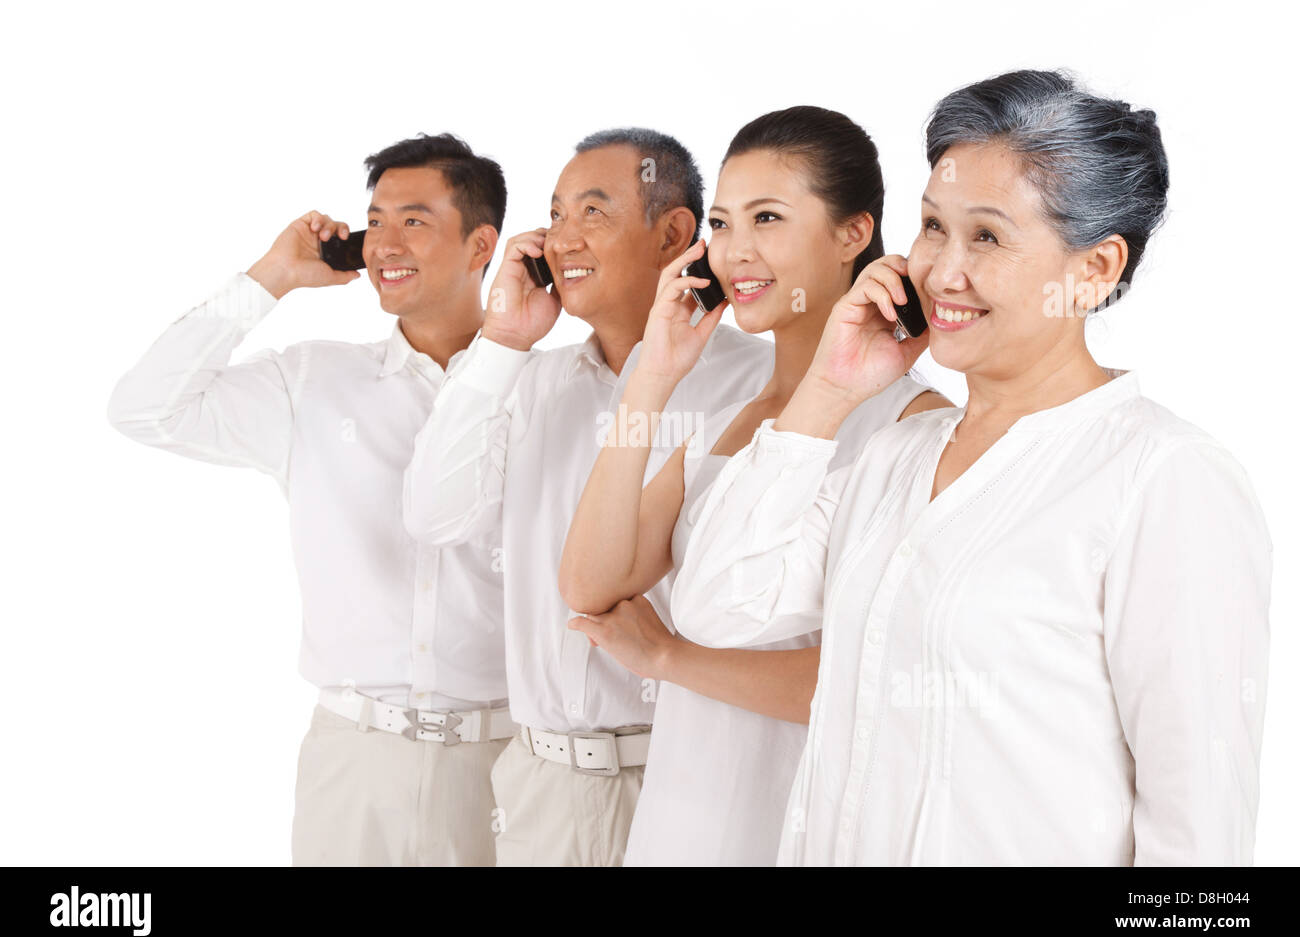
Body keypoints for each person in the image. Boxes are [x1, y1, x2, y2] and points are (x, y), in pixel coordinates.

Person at [670, 70, 1272, 866]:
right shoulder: (894, 453)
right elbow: (717, 607)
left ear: (1094, 270)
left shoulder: (1163, 479)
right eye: (930, 227)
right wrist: (825, 391)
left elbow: (1201, 835)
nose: (941, 271)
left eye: (986, 236)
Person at [107, 133, 518, 866]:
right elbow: (144, 409)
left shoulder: (541, 390)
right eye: (376, 220)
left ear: (481, 243)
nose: (384, 243)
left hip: (510, 765)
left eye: (415, 221)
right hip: (353, 763)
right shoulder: (313, 383)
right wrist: (269, 278)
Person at [559, 107, 950, 865]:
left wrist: (671, 659)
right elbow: (590, 584)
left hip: (794, 817)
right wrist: (653, 377)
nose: (737, 252)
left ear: (852, 233)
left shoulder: (915, 428)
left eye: (767, 218)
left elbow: (875, 679)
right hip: (681, 810)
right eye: (723, 223)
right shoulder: (726, 414)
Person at [402, 128, 773, 866]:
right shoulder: (529, 383)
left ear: (674, 234)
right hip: (539, 788)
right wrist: (504, 341)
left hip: (685, 780)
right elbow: (433, 517)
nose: (561, 238)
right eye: (555, 215)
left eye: (592, 214)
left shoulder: (759, 387)